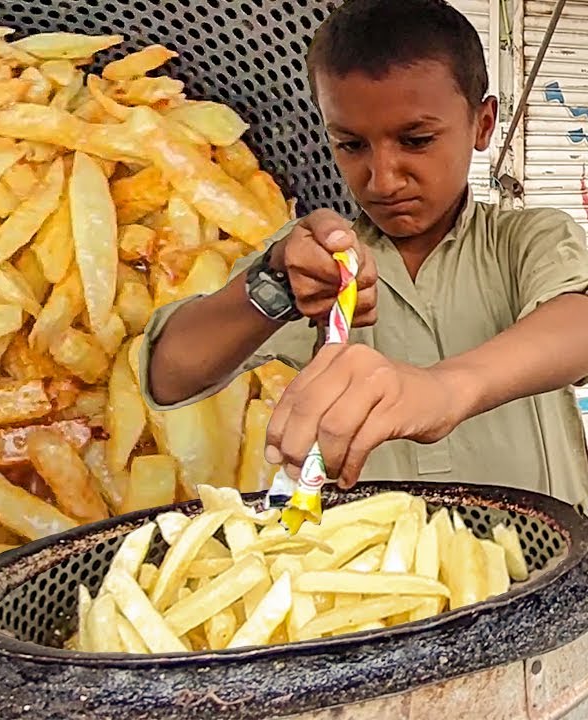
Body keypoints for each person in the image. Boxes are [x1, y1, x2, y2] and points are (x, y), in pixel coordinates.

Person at [140, 0, 588, 505]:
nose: (383, 178)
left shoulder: (525, 239)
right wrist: (274, 288)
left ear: (483, 124)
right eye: (351, 145)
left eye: (416, 140)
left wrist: (442, 390)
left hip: (550, 565)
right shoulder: (317, 264)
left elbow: (578, 323)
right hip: (372, 577)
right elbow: (167, 375)